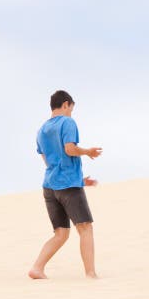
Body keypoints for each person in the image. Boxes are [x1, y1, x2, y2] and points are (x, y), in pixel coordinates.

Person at [29, 90, 103, 279]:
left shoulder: (42, 130)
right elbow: (69, 149)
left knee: (61, 233)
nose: (71, 113)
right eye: (71, 108)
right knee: (85, 228)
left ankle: (37, 268)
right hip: (67, 185)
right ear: (66, 104)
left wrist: (80, 180)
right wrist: (88, 152)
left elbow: (47, 160)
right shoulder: (67, 122)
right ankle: (91, 274)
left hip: (50, 186)